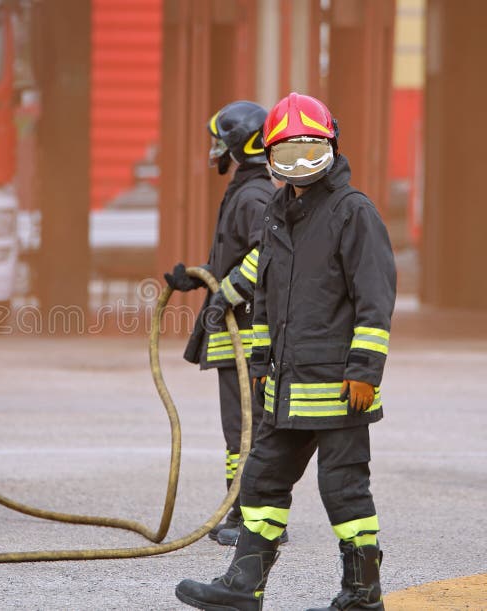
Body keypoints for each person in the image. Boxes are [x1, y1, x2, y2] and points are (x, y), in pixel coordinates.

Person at [175, 92, 397, 611]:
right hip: (285, 384)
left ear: (331, 146)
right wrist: (259, 364)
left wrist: (366, 371)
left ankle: (362, 593)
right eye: (288, 155)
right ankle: (242, 586)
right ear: (270, 155)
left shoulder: (353, 212)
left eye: (309, 152)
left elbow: (375, 298)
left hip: (340, 387)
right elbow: (268, 299)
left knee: (344, 490)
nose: (300, 165)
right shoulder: (278, 212)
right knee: (261, 480)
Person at [165, 101, 277, 546]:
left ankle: (254, 516)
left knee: (247, 430)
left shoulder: (253, 195)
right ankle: (242, 509)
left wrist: (229, 290)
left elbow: (265, 254)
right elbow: (233, 258)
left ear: (239, 146)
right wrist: (196, 278)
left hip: (246, 335)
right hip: (237, 337)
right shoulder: (245, 190)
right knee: (240, 430)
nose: (215, 150)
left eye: (220, 142)